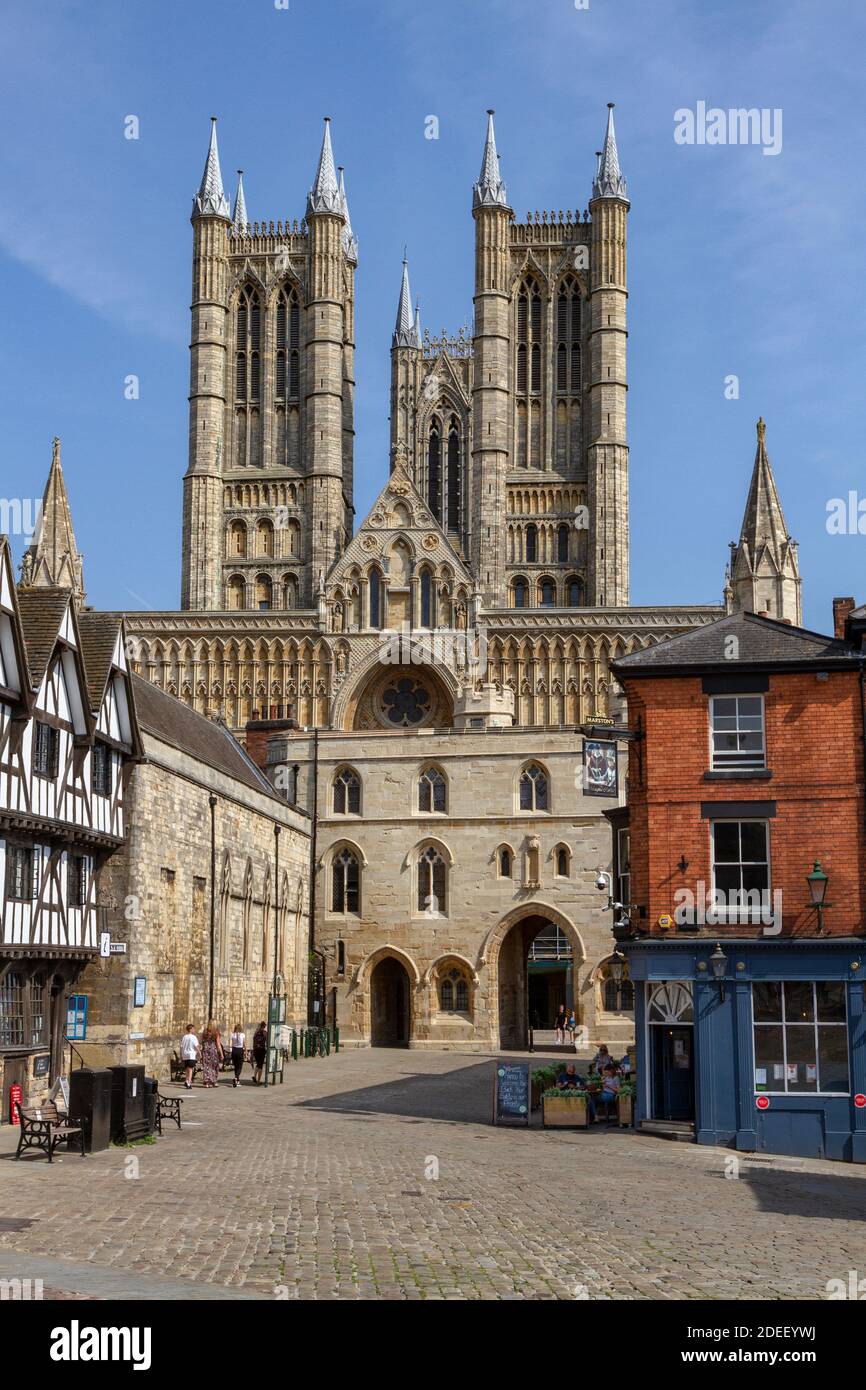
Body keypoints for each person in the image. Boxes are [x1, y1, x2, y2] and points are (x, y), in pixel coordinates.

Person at [200, 1019, 224, 1088]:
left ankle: (207, 1082)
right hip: (213, 1051)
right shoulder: (216, 1032)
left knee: (206, 1066)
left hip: (205, 1051)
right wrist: (221, 1054)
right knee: (214, 1066)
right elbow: (218, 1044)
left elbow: (202, 1041)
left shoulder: (205, 1031)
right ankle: (214, 1081)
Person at [180, 1023, 200, 1089]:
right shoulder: (194, 1037)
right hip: (191, 1055)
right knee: (191, 1069)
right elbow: (196, 1046)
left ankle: (186, 1080)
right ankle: (189, 1082)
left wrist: (181, 1055)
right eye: (193, 1029)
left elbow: (181, 1047)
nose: (194, 1030)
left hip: (185, 1055)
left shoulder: (184, 1037)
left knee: (187, 1068)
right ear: (190, 1029)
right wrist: (199, 1053)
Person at [229, 1021, 246, 1088]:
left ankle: (237, 1081)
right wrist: (246, 1052)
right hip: (240, 1050)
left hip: (234, 1050)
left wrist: (231, 1051)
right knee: (240, 1066)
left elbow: (230, 1044)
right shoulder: (242, 1035)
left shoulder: (232, 1034)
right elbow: (244, 1044)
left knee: (236, 1066)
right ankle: (236, 1078)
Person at [251, 1020, 268, 1085]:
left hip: (255, 1050)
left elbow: (254, 1041)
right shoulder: (264, 1032)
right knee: (260, 1066)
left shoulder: (256, 1032)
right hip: (261, 1050)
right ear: (264, 1026)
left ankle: (254, 1076)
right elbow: (267, 1040)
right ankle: (258, 1081)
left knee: (258, 1064)